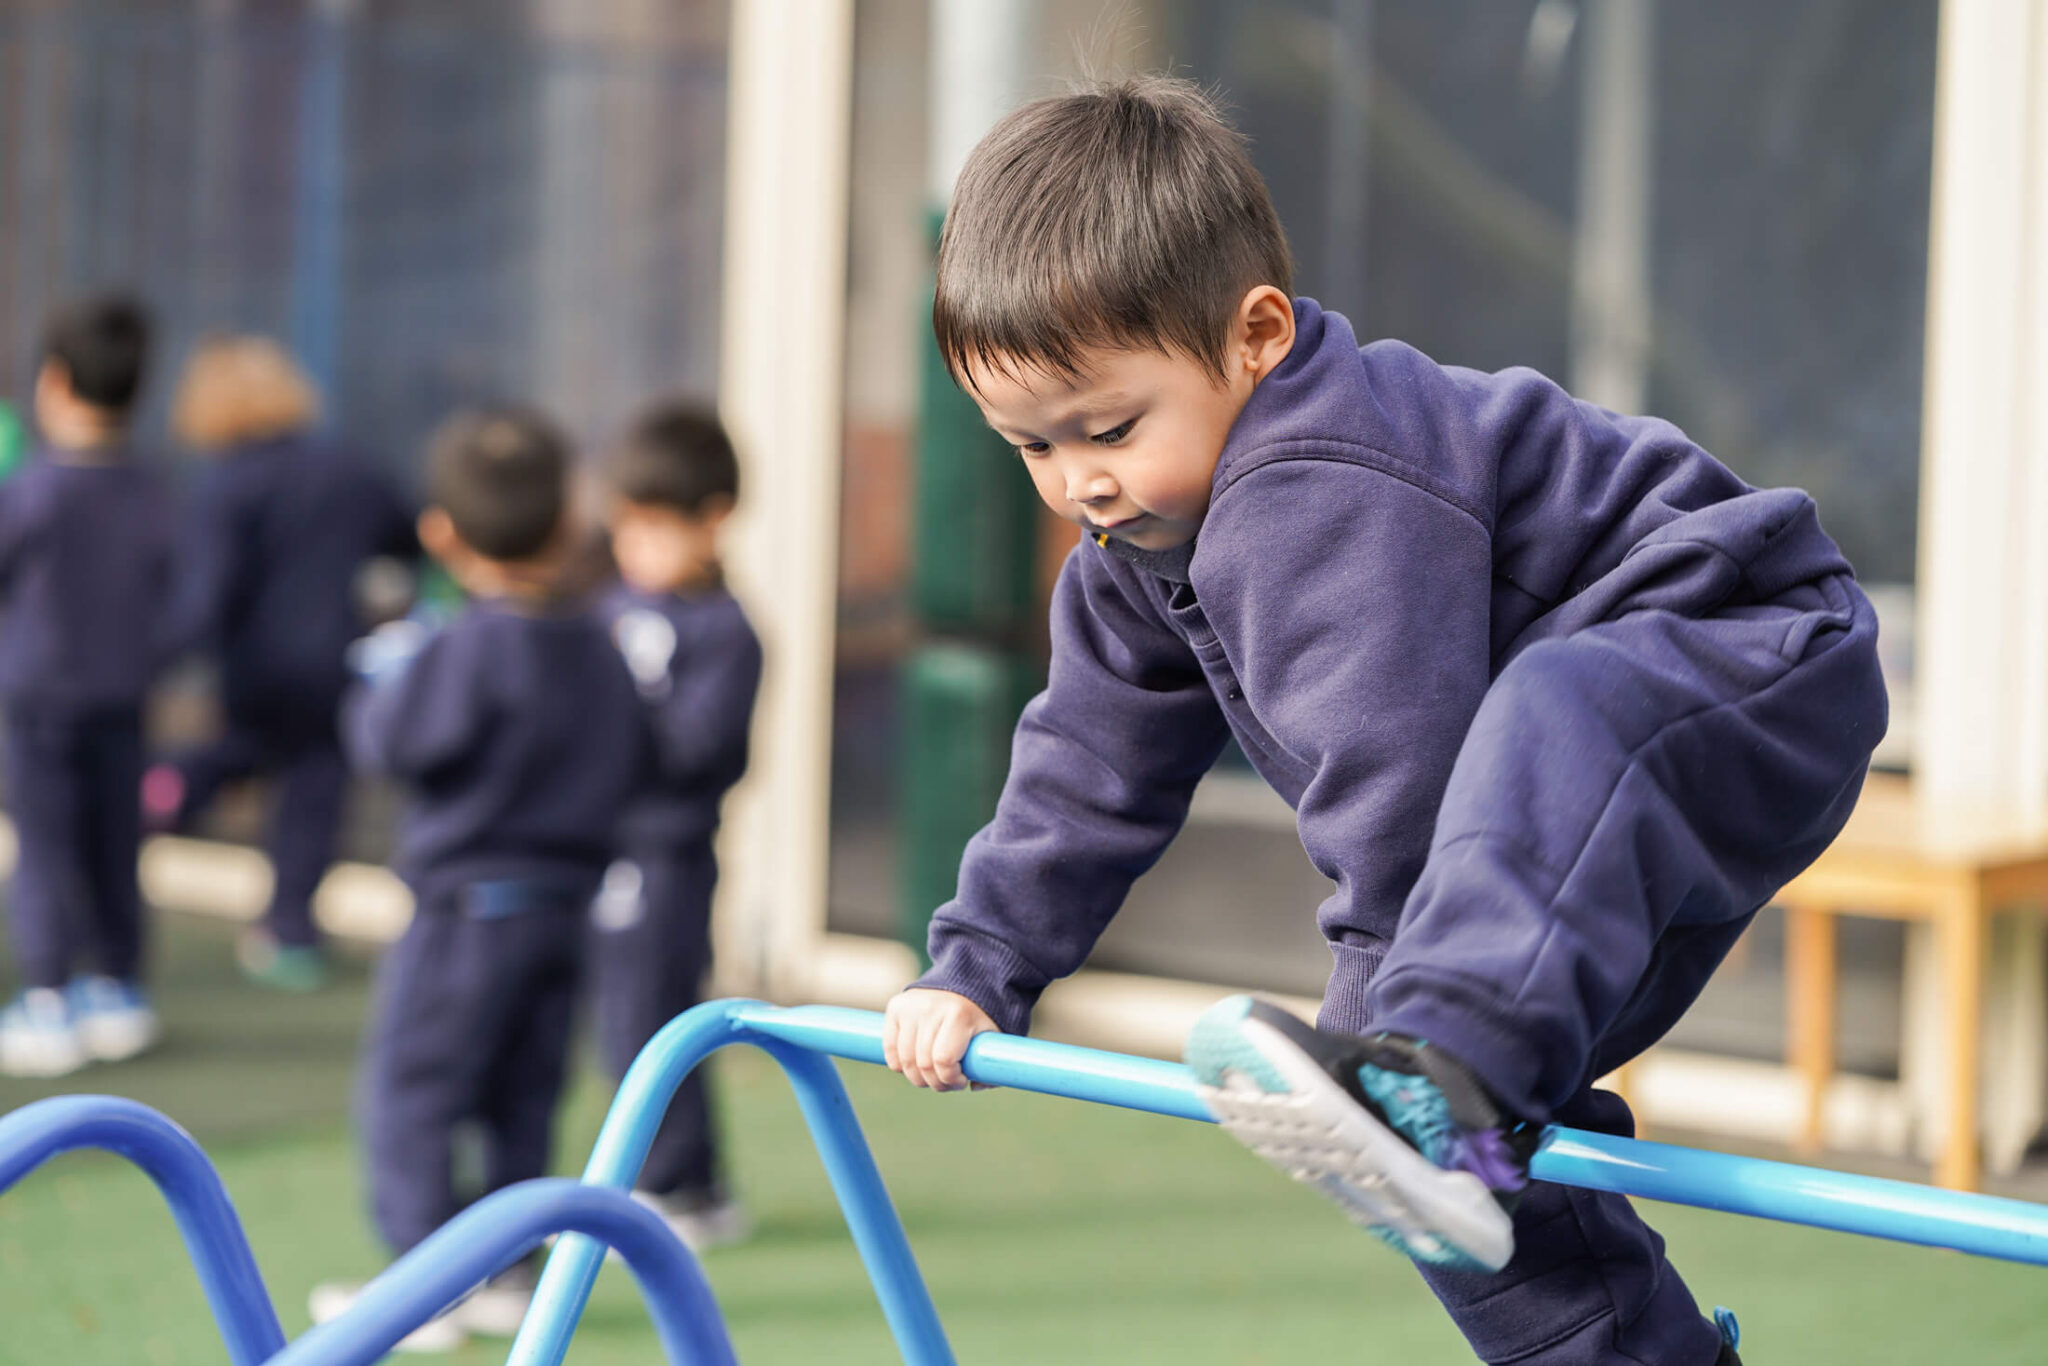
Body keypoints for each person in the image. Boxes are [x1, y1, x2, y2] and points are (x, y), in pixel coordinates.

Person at [881, 77, 1886, 1366]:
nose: (1078, 480)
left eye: (1110, 427)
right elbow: (1084, 763)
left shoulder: (1319, 477)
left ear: (1252, 337)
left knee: (1532, 766)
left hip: (1745, 644)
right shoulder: (1131, 540)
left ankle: (1437, 1064)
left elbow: (1397, 778)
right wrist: (977, 962)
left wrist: (1371, 1022)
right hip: (1554, 795)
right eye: (1028, 446)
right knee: (1458, 1185)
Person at [312, 407, 647, 1350]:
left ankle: (423, 1286)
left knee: (414, 1092)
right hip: (565, 910)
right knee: (522, 1096)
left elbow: (388, 742)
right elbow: (636, 754)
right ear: (567, 522)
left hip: (464, 916)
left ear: (442, 537)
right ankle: (509, 1271)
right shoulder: (600, 640)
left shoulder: (463, 645)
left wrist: (383, 672)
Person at [150, 335, 416, 990]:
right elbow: (406, 539)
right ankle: (290, 933)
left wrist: (161, 658)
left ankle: (159, 794)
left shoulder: (228, 483)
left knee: (237, 752)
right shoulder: (348, 466)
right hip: (334, 665)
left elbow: (207, 593)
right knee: (314, 793)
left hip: (258, 668)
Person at [595, 402, 761, 1250]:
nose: (638, 548)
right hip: (599, 850)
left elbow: (695, 749)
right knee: (610, 1020)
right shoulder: (609, 603)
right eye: (629, 527)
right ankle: (659, 1175)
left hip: (668, 858)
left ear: (714, 520)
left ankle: (686, 1186)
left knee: (653, 1015)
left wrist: (602, 726)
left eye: (657, 529)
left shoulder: (727, 632)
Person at [0, 293, 174, 1079]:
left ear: (55, 381)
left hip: (34, 699)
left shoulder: (33, 491)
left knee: (43, 845)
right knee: (112, 844)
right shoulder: (153, 490)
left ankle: (46, 996)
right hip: (123, 696)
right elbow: (190, 595)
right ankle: (116, 988)